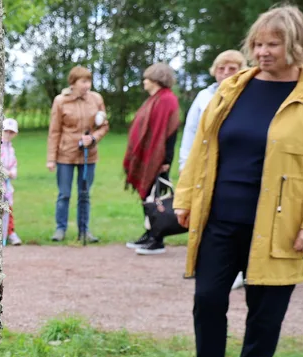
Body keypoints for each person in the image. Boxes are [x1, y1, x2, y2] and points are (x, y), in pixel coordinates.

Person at [171, 4, 303, 357]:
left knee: (265, 309)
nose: (262, 52)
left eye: (273, 44)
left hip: (281, 223)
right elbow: (202, 151)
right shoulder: (232, 88)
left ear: (297, 45)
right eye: (257, 44)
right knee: (207, 298)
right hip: (221, 217)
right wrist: (186, 198)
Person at [180, 50, 247, 288]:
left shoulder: (248, 95)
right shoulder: (203, 97)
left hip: (236, 170)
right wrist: (184, 166)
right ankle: (208, 264)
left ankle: (242, 268)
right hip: (204, 170)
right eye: (222, 68)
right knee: (206, 219)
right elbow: (190, 133)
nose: (227, 73)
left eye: (233, 68)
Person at [123, 63, 182, 256]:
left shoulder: (166, 100)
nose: (144, 82)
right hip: (147, 158)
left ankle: (157, 240)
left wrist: (165, 160)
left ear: (156, 79)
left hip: (158, 159)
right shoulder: (155, 99)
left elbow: (170, 132)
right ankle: (149, 234)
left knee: (154, 198)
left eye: (146, 78)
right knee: (147, 197)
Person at [46, 66, 109, 242]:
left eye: (88, 81)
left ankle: (84, 230)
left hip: (89, 155)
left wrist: (94, 138)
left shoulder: (96, 99)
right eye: (83, 81)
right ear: (73, 83)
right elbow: (54, 131)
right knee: (64, 194)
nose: (87, 85)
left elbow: (104, 125)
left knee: (84, 194)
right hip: (65, 154)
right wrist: (51, 158)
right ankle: (60, 229)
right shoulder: (60, 101)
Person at [1, 118, 22, 245]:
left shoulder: (11, 149)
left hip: (7, 183)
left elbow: (13, 163)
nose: (8, 134)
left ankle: (10, 232)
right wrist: (3, 171)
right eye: (6, 131)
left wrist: (12, 172)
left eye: (11, 132)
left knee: (8, 208)